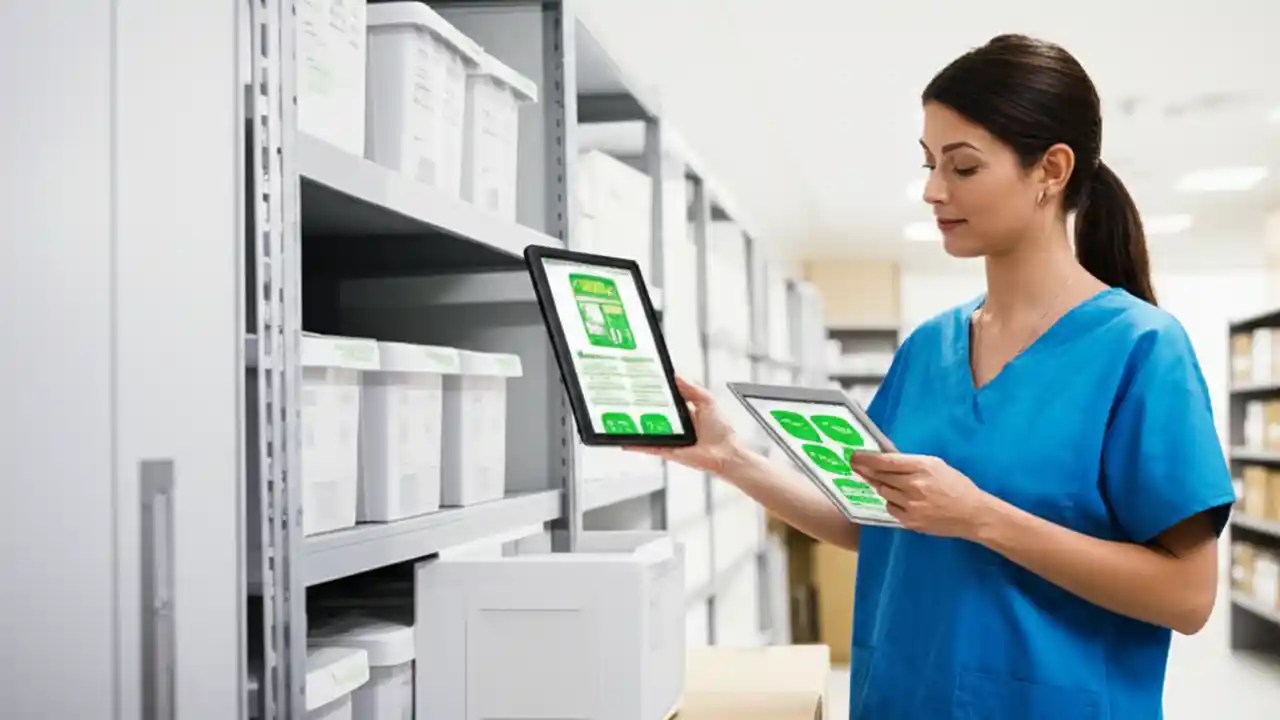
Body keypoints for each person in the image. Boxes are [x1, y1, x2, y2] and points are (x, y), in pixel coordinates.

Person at [631, 34, 1235, 719]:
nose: (932, 190)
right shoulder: (929, 347)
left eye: (963, 167)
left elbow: (1187, 598)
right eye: (929, 164)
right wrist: (730, 458)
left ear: (1051, 170)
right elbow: (875, 522)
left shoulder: (1140, 349)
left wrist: (982, 518)